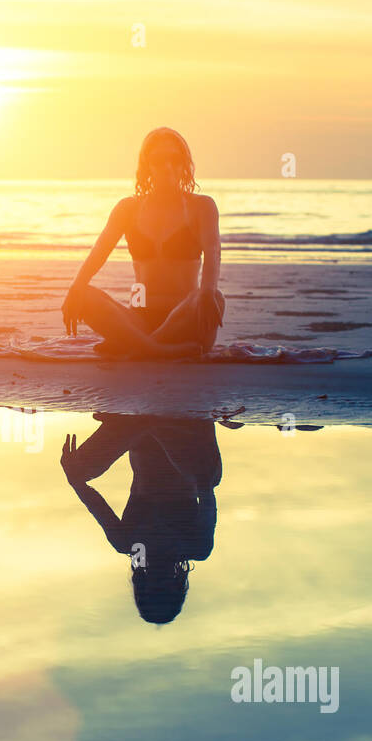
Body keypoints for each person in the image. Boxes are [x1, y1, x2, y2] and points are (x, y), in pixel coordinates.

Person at [61, 128, 225, 358]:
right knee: (83, 294)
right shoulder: (128, 209)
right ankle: (156, 349)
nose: (167, 166)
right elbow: (99, 252)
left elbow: (213, 252)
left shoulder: (202, 206)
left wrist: (207, 290)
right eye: (158, 160)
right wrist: (75, 288)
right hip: (138, 319)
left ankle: (135, 346)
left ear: (184, 164)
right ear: (147, 164)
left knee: (213, 296)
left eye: (175, 159)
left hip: (185, 322)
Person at [60, 415, 222, 623]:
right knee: (209, 478)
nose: (159, 582)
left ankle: (136, 421)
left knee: (79, 470)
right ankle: (154, 422)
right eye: (165, 589)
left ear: (143, 586)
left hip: (141, 439)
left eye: (154, 588)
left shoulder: (127, 543)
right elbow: (206, 491)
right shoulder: (197, 548)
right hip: (182, 440)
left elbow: (95, 505)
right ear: (176, 587)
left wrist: (75, 479)